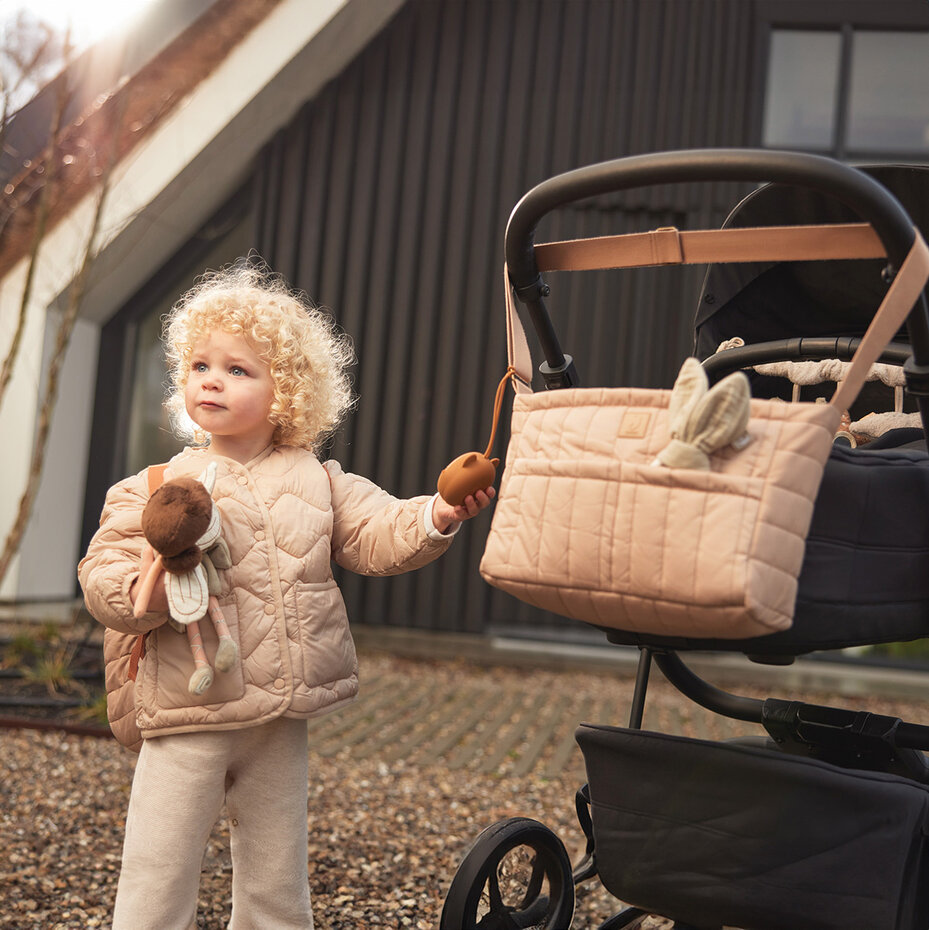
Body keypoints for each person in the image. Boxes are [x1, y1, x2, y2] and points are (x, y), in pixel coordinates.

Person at [77, 261, 493, 930]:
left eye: (238, 369)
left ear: (287, 394)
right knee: (158, 873)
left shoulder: (319, 480)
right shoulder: (153, 485)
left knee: (277, 878)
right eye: (200, 365)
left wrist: (437, 515)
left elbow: (378, 531)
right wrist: (149, 583)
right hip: (192, 709)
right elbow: (104, 577)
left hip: (278, 717)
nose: (211, 379)